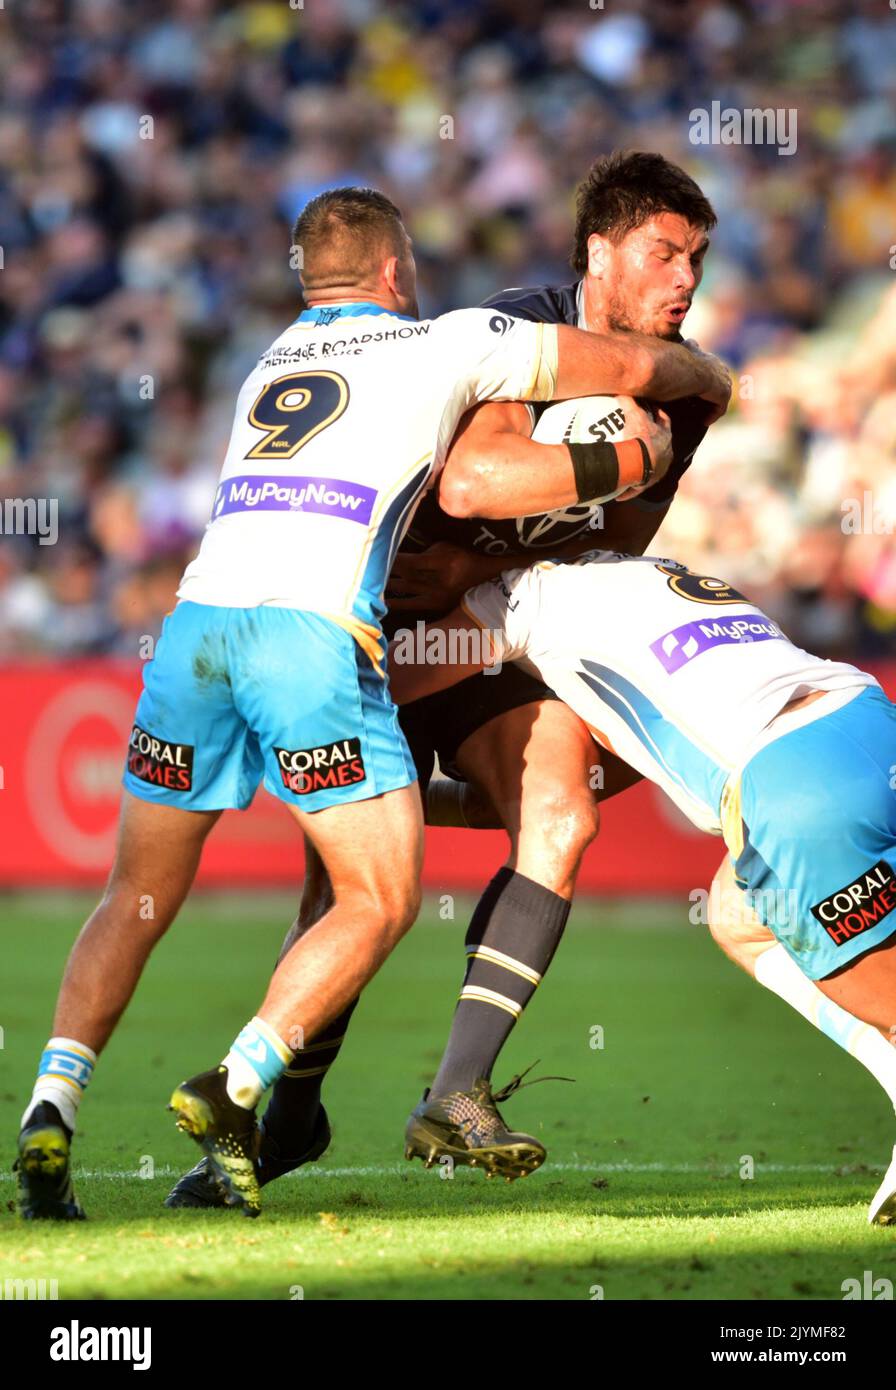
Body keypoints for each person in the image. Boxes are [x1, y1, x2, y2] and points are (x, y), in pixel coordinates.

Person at [16, 186, 729, 1220]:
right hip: (325, 636)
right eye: (666, 254)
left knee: (137, 892)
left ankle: (52, 1102)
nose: (686, 278)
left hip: (195, 626)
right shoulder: (452, 338)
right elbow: (590, 396)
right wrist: (668, 418)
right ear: (395, 272)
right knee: (375, 894)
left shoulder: (271, 359)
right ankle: (243, 1083)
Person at [386, 546, 896, 1224]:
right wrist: (435, 804)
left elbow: (393, 678)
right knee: (738, 916)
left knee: (881, 1000)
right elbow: (585, 781)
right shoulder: (656, 571)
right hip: (869, 721)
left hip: (794, 786)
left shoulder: (526, 597)